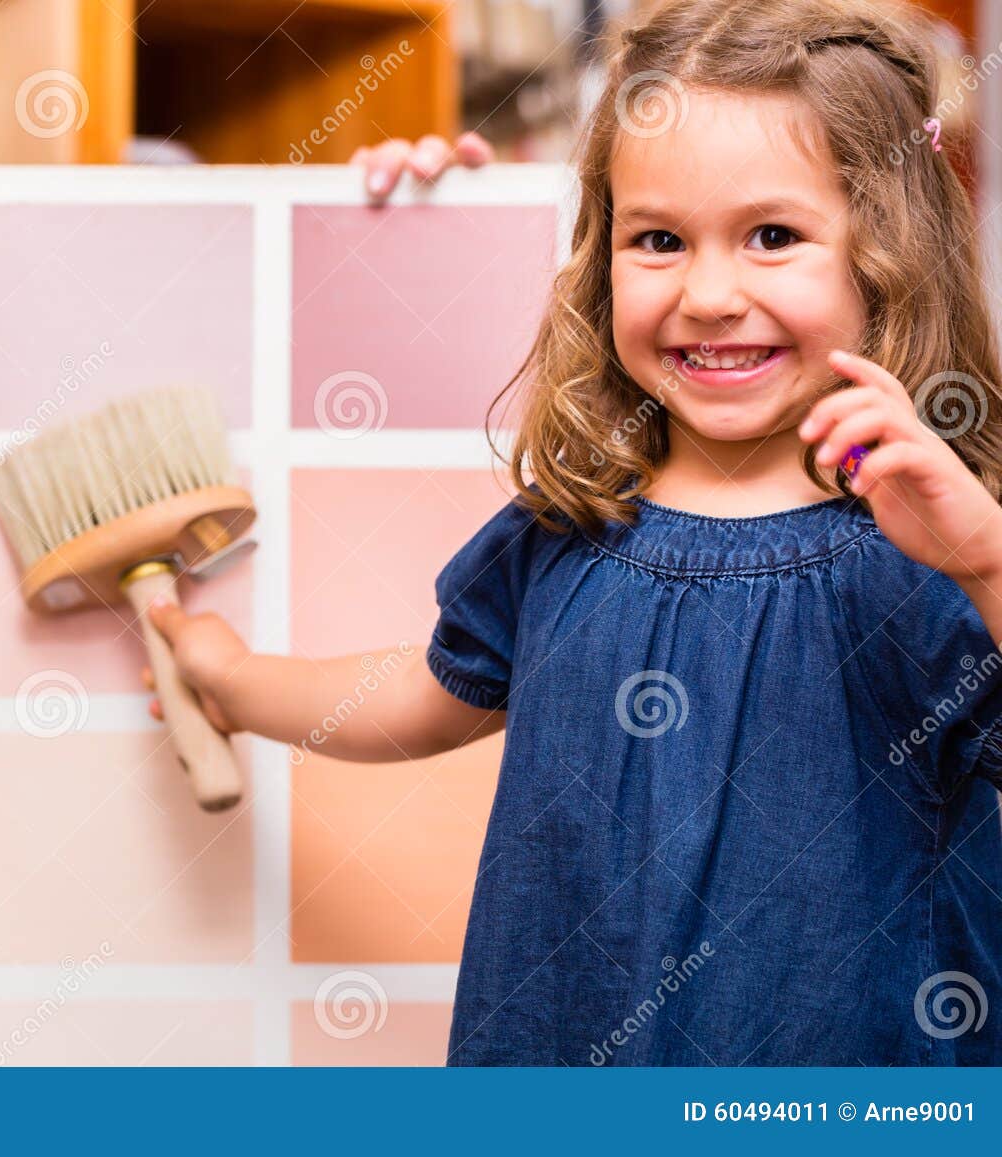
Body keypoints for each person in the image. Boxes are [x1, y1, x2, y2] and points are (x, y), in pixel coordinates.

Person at [148, 0, 1002, 1064]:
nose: (706, 292)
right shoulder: (569, 524)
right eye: (657, 239)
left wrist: (983, 559)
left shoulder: (927, 552)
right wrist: (233, 680)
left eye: (772, 236)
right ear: (601, 254)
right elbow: (422, 693)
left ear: (885, 252)